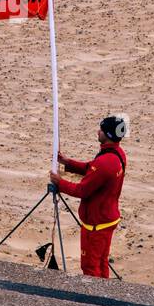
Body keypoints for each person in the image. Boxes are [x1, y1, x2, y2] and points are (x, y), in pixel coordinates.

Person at [49, 115, 128, 278]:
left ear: (109, 135)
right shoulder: (117, 154)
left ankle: (95, 301)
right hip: (108, 219)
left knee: (90, 267)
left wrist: (59, 182)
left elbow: (82, 190)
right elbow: (92, 168)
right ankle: (106, 297)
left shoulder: (105, 162)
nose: (98, 131)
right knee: (102, 262)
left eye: (102, 129)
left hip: (96, 225)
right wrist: (67, 162)